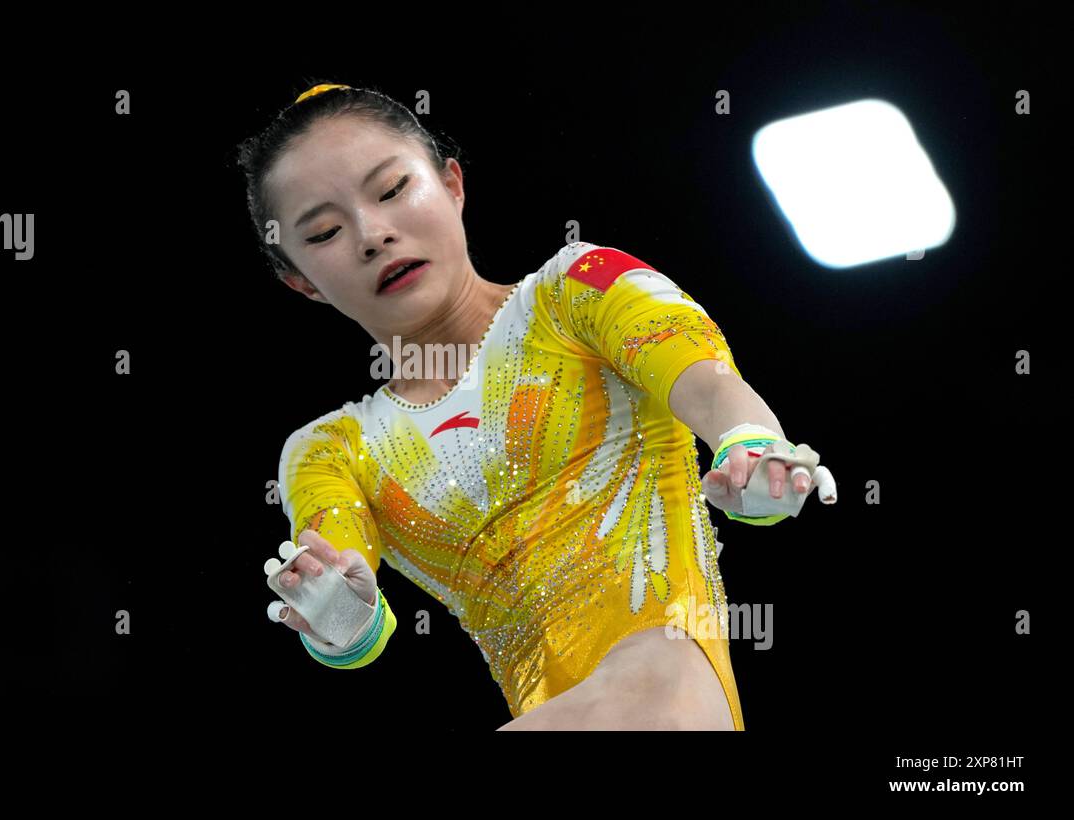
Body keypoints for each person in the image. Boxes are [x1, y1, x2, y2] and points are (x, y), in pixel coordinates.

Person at [239, 81, 829, 730]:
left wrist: (748, 444)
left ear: (453, 185)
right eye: (323, 232)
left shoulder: (578, 290)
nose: (372, 235)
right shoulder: (330, 450)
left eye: (391, 190)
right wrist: (338, 617)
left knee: (644, 677)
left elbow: (709, 383)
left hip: (669, 689)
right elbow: (340, 580)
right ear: (301, 282)